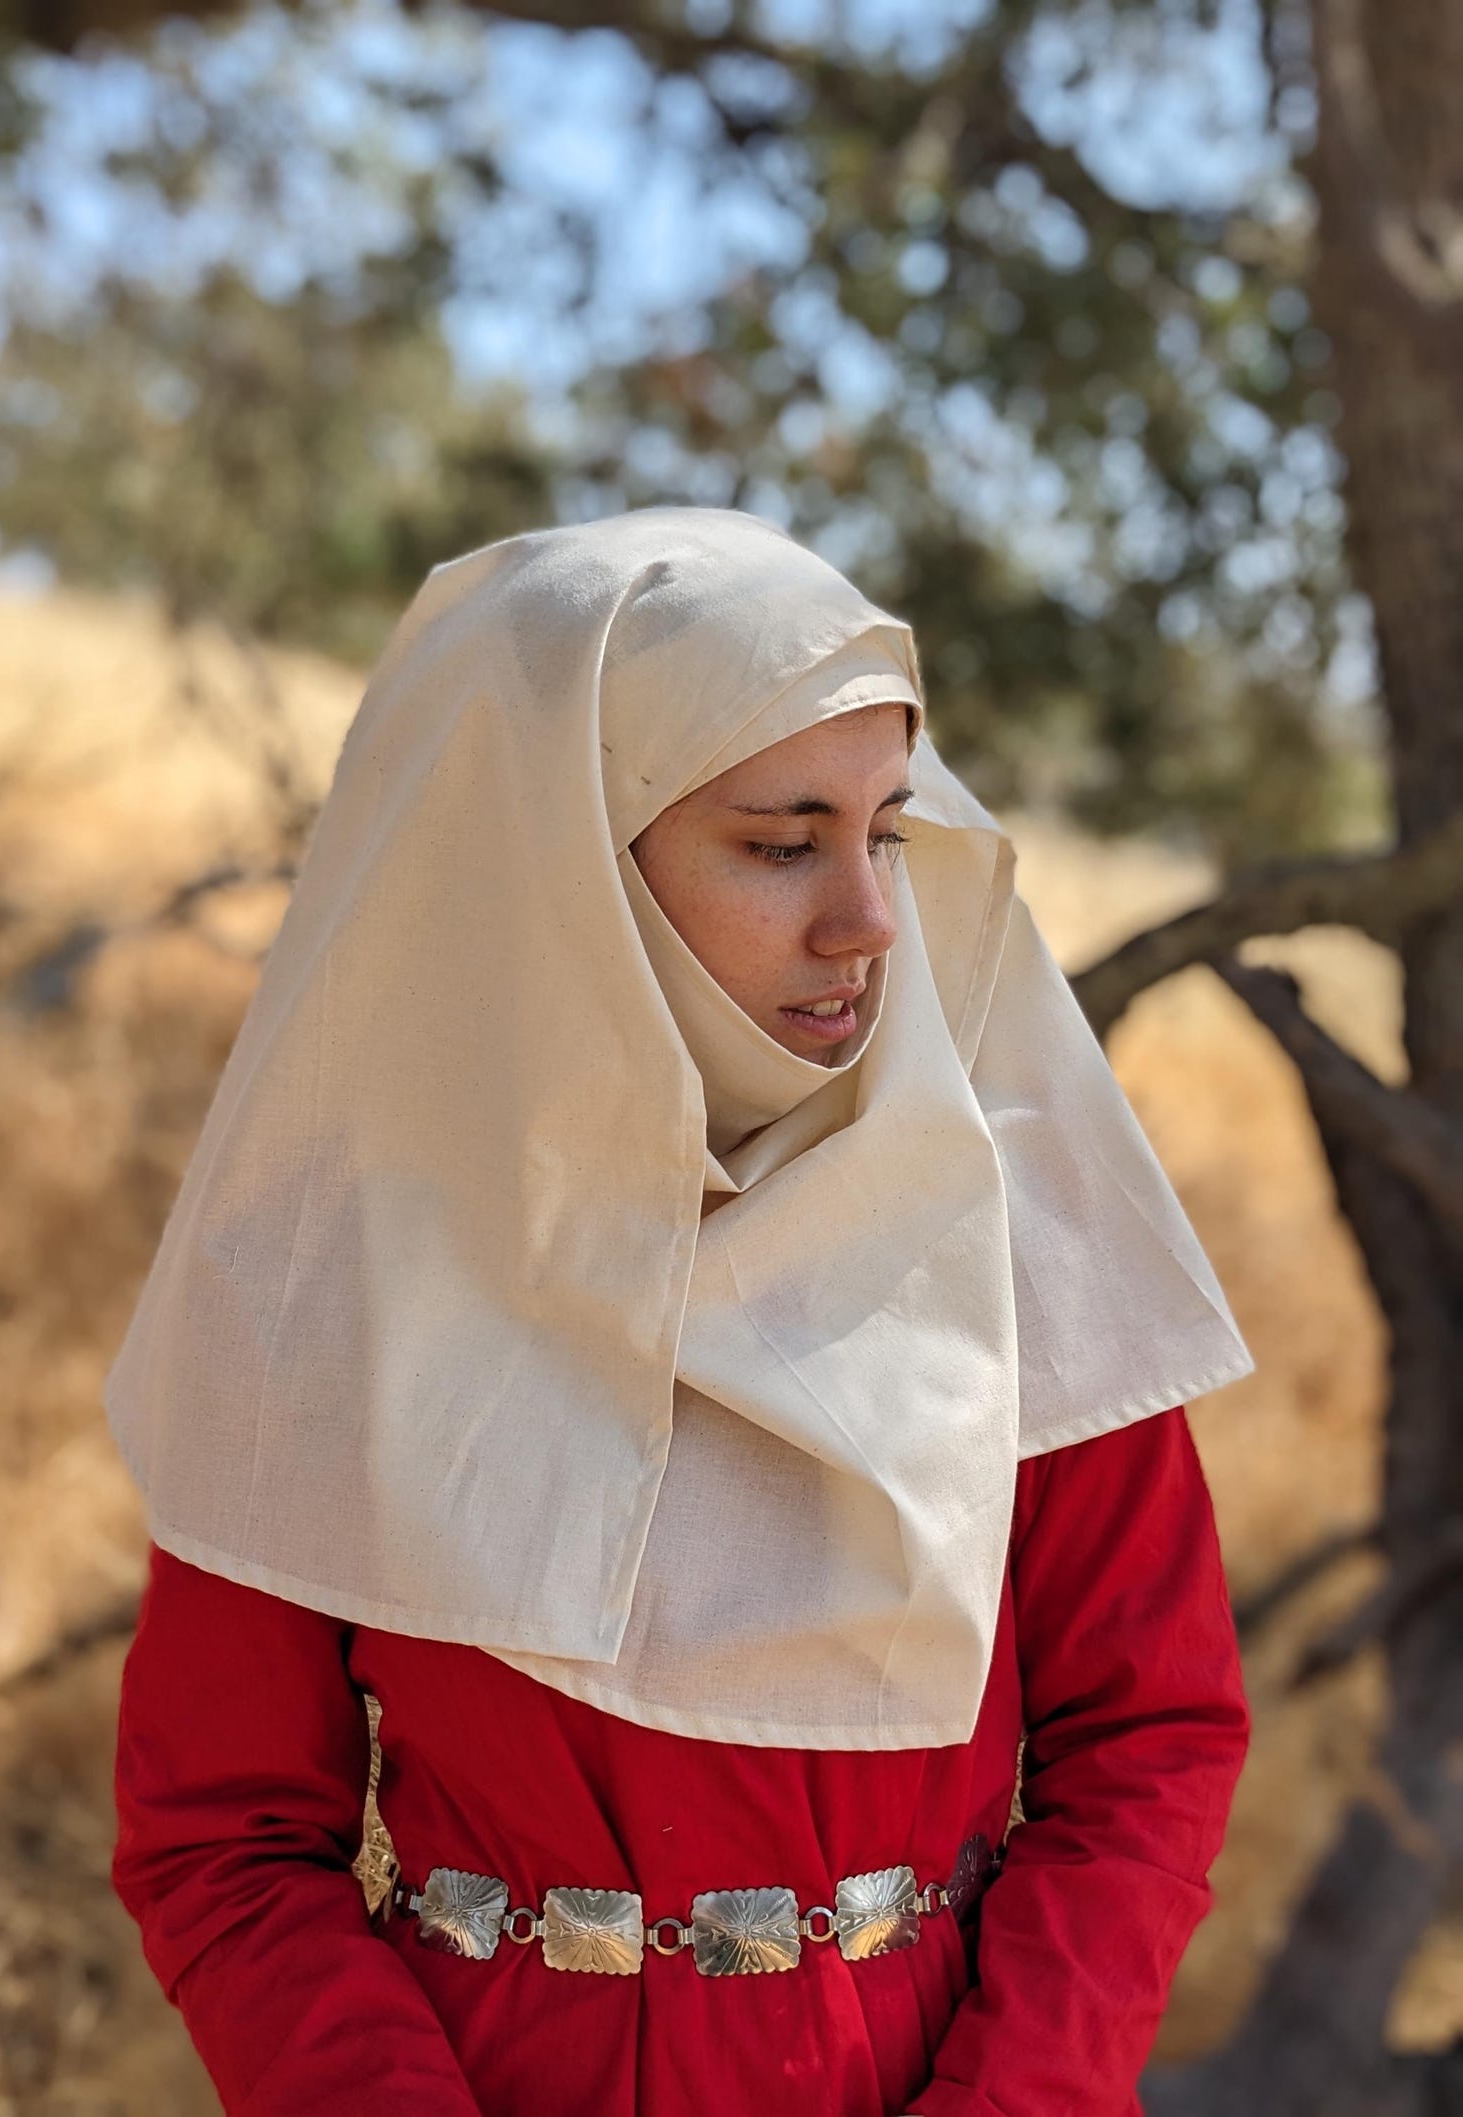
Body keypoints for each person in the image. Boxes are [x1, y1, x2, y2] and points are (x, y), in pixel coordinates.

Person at [105, 506, 1255, 2117]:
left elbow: (1150, 1738)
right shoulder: (335, 1271)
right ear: (567, 868)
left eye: (888, 832)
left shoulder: (1006, 1233)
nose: (865, 918)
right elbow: (221, 1838)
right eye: (784, 842)